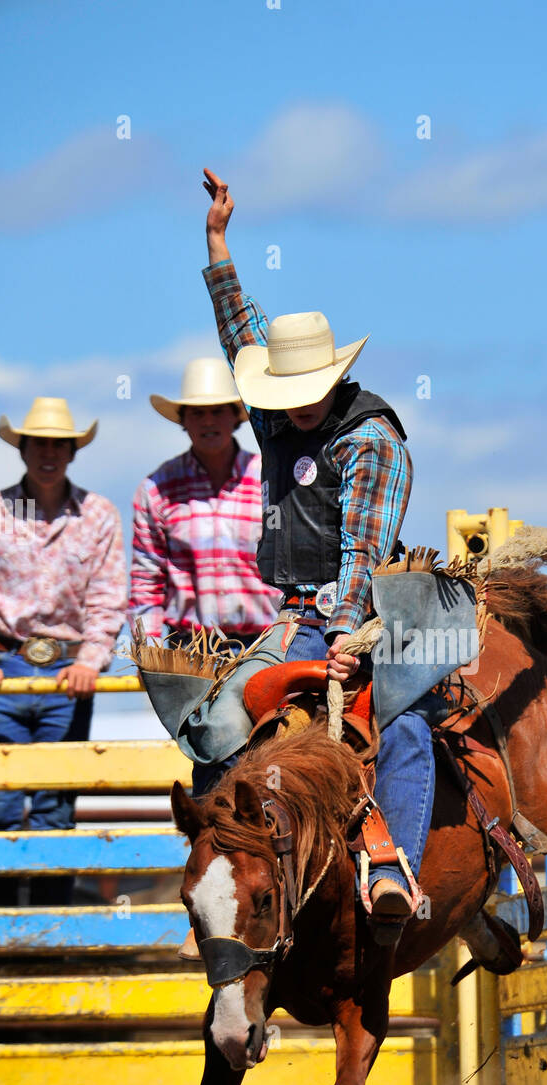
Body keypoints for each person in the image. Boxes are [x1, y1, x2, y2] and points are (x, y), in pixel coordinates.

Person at [200, 168, 429, 928]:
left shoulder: (371, 440)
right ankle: (232, 862)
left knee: (402, 729)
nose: (285, 404)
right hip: (292, 614)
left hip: (361, 616)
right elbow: (243, 337)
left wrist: (345, 642)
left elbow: (362, 553)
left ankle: (394, 871)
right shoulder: (277, 417)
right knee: (215, 720)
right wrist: (218, 246)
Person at [0, 398, 127, 905]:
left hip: (69, 671)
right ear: (23, 449)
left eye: (58, 444)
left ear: (72, 451)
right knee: (2, 801)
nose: (48, 453)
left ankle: (55, 929)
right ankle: (6, 934)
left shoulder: (97, 515)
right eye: (39, 444)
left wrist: (90, 660)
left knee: (56, 804)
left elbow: (107, 595)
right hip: (6, 666)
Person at [130, 357, 281, 652]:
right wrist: (148, 650)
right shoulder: (158, 488)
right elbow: (147, 578)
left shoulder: (270, 479)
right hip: (188, 649)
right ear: (184, 421)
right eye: (198, 413)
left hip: (266, 645)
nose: (208, 421)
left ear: (235, 417)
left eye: (217, 411)